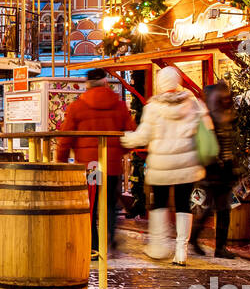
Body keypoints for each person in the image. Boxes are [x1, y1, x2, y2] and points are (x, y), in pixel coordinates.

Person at [122, 65, 213, 266]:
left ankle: (158, 246)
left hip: (161, 166)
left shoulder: (153, 107)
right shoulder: (192, 104)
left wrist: (125, 139)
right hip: (186, 166)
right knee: (183, 205)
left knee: (159, 205)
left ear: (160, 83)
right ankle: (181, 251)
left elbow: (143, 136)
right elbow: (207, 127)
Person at [56, 68, 136, 256]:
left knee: (91, 204)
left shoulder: (78, 106)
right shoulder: (120, 105)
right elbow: (130, 133)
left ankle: (94, 244)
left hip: (91, 166)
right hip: (112, 165)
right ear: (106, 83)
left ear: (88, 84)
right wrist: (119, 152)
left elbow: (65, 138)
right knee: (109, 203)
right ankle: (111, 237)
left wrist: (61, 160)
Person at [191, 82, 238, 259]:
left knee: (220, 207)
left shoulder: (225, 114)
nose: (227, 99)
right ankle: (209, 244)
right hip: (214, 167)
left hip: (225, 166)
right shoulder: (210, 118)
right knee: (215, 207)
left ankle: (216, 246)